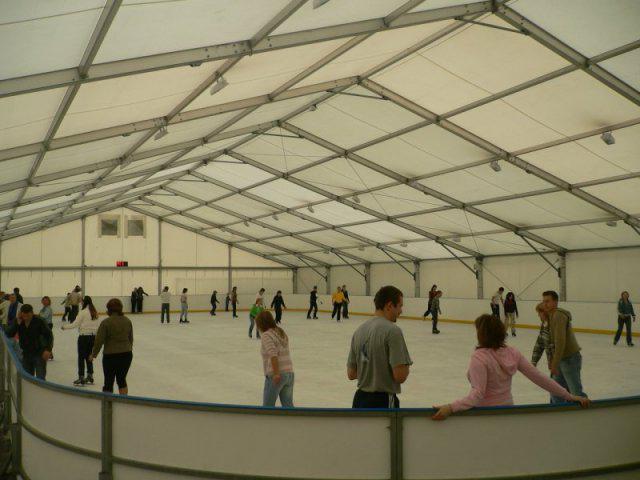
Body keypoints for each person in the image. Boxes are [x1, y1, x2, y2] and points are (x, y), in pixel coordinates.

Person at [431, 314, 590, 420]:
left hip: (484, 415)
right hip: (508, 412)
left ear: (482, 334)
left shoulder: (479, 358)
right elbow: (539, 377)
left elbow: (477, 394)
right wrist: (568, 395)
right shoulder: (512, 352)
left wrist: (450, 407)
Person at [347, 286, 412, 408]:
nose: (401, 311)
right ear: (389, 305)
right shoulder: (393, 331)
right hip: (383, 402)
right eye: (400, 306)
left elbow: (351, 373)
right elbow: (400, 376)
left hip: (359, 400)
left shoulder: (359, 331)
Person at [542, 290, 587, 403]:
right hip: (561, 359)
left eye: (547, 301)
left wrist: (554, 363)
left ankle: (583, 414)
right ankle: (559, 413)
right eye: (543, 301)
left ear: (555, 302)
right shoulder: (551, 316)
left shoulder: (558, 315)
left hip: (569, 359)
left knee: (575, 392)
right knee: (556, 391)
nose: (545, 304)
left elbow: (560, 342)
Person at [89, 299, 133, 395]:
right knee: (122, 380)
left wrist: (93, 354)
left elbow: (99, 341)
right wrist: (127, 349)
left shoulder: (106, 322)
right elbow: (130, 339)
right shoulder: (127, 321)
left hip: (111, 356)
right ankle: (124, 402)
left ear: (108, 309)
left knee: (108, 382)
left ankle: (107, 406)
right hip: (126, 355)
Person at [256, 310, 294, 407]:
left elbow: (273, 354)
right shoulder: (281, 332)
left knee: (267, 408)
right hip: (289, 373)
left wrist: (276, 373)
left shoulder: (266, 335)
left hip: (276, 375)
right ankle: (293, 422)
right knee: (288, 406)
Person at [4, 305, 53, 380]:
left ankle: (39, 391)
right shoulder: (19, 321)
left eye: (28, 315)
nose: (26, 317)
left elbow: (49, 335)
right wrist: (17, 323)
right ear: (21, 313)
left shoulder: (39, 321)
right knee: (28, 379)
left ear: (32, 313)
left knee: (40, 378)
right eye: (24, 315)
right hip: (26, 354)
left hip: (39, 353)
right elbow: (9, 334)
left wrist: (48, 350)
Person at [62, 296, 100, 386]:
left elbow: (75, 324)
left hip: (83, 338)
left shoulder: (83, 312)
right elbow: (98, 326)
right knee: (89, 356)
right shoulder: (94, 312)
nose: (81, 303)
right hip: (93, 337)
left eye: (82, 301)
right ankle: (90, 375)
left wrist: (65, 327)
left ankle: (81, 377)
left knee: (81, 357)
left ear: (84, 302)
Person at [531, 303, 553, 368]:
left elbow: (555, 347)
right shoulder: (544, 324)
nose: (538, 315)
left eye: (539, 313)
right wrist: (534, 362)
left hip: (564, 361)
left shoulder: (554, 325)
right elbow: (539, 344)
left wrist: (552, 361)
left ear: (545, 313)